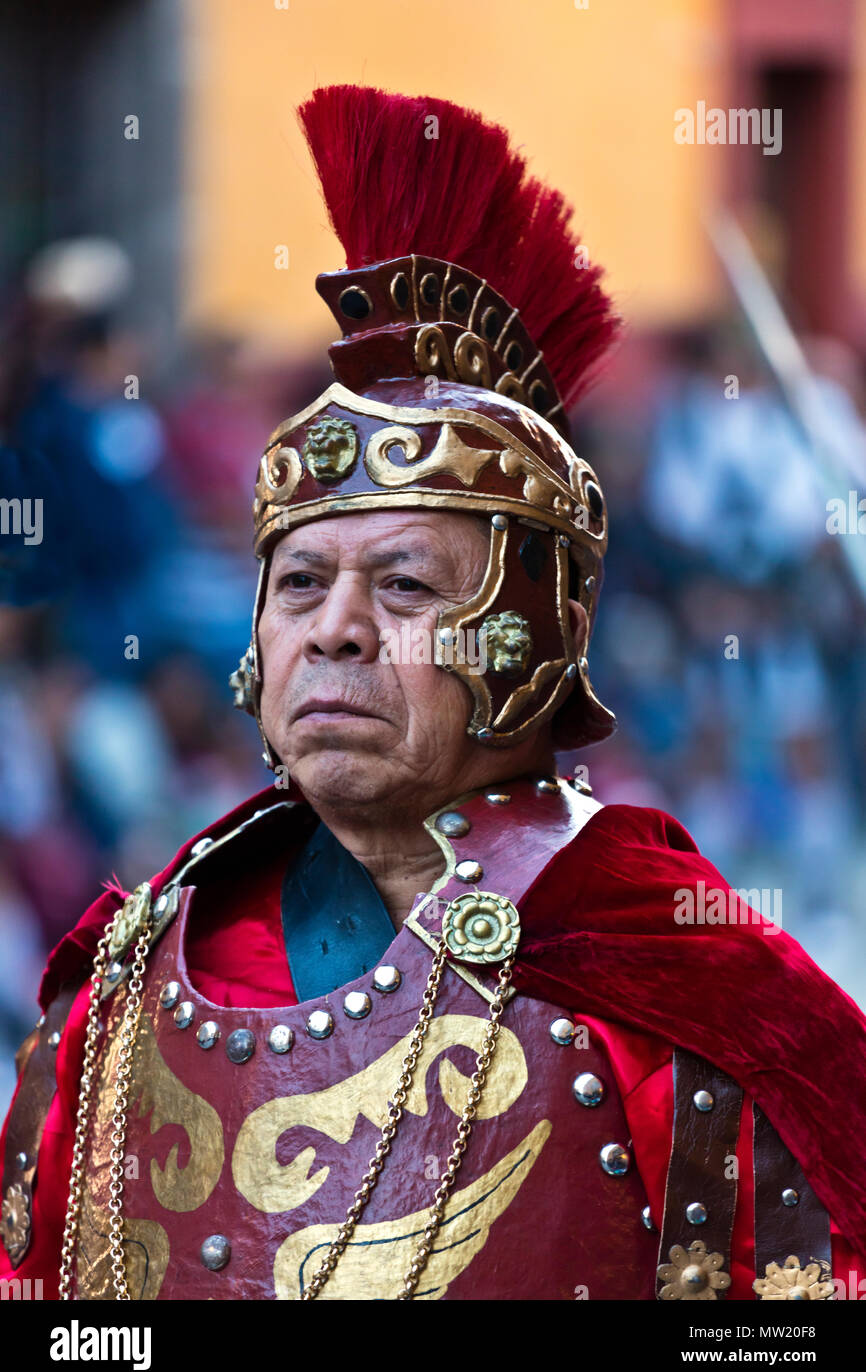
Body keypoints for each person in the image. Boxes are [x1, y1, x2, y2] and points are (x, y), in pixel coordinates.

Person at [2, 84, 865, 1303]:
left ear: (535, 638)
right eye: (298, 582)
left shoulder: (694, 993)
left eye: (403, 583)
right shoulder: (121, 992)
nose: (336, 630)